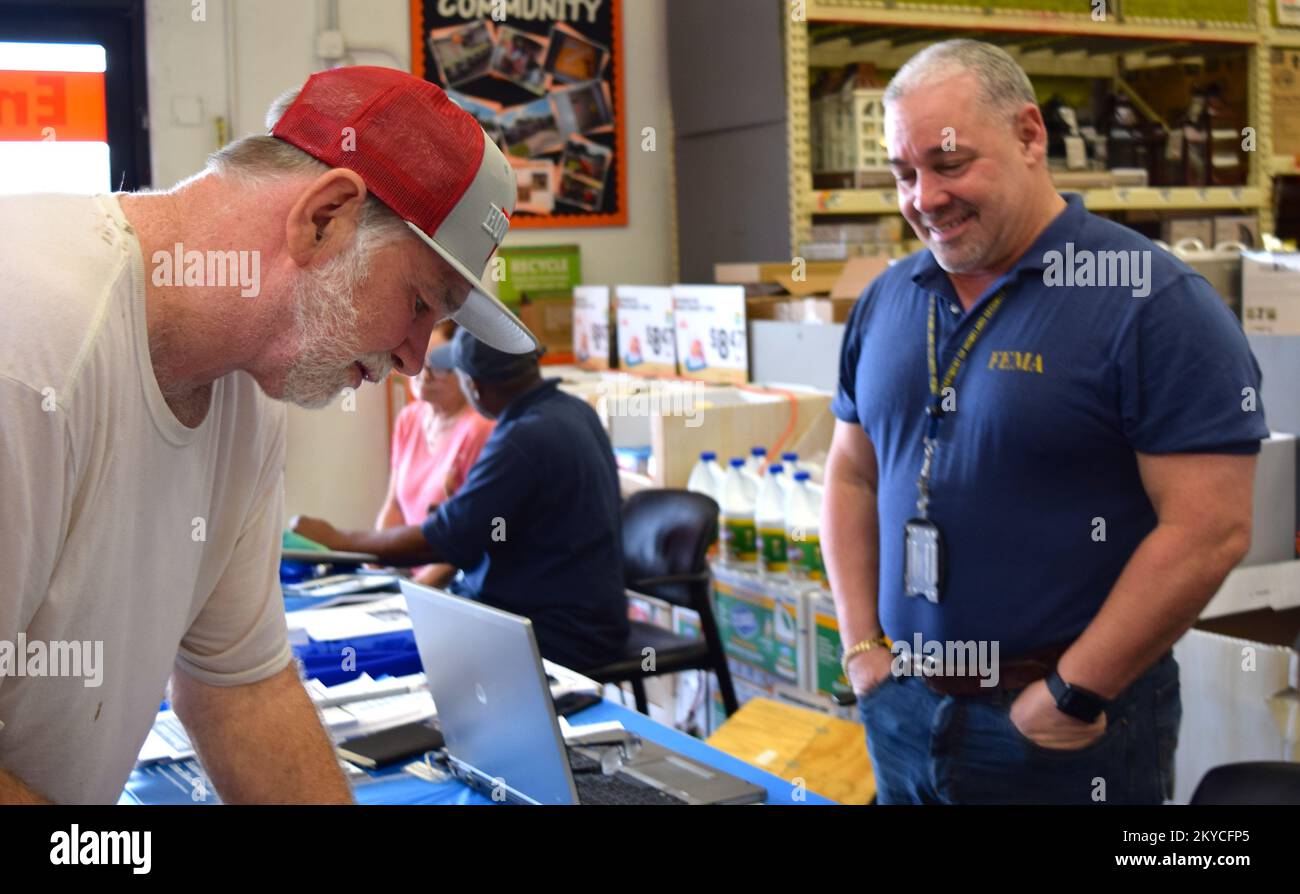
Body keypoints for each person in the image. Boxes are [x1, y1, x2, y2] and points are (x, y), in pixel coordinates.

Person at [0, 66, 534, 804]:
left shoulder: (244, 400)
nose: (416, 358)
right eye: (418, 303)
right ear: (325, 216)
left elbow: (242, 693)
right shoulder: (28, 353)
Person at [822, 40, 1268, 804]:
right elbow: (852, 472)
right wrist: (864, 648)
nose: (924, 197)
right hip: (902, 709)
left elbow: (1210, 528)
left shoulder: (1151, 302)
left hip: (1060, 731)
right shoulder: (889, 297)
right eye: (904, 173)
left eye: (950, 164)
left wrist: (1070, 692)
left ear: (1031, 136)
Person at [291, 330, 629, 672]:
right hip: (580, 619)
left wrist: (337, 539)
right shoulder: (572, 412)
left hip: (553, 633)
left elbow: (437, 543)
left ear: (475, 387)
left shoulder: (522, 439)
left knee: (361, 656)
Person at [378, 322, 494, 586]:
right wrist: (379, 567)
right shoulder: (409, 418)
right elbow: (394, 505)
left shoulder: (480, 429)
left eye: (439, 366)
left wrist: (414, 593)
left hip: (452, 582)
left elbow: (472, 538)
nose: (424, 374)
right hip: (406, 576)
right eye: (420, 361)